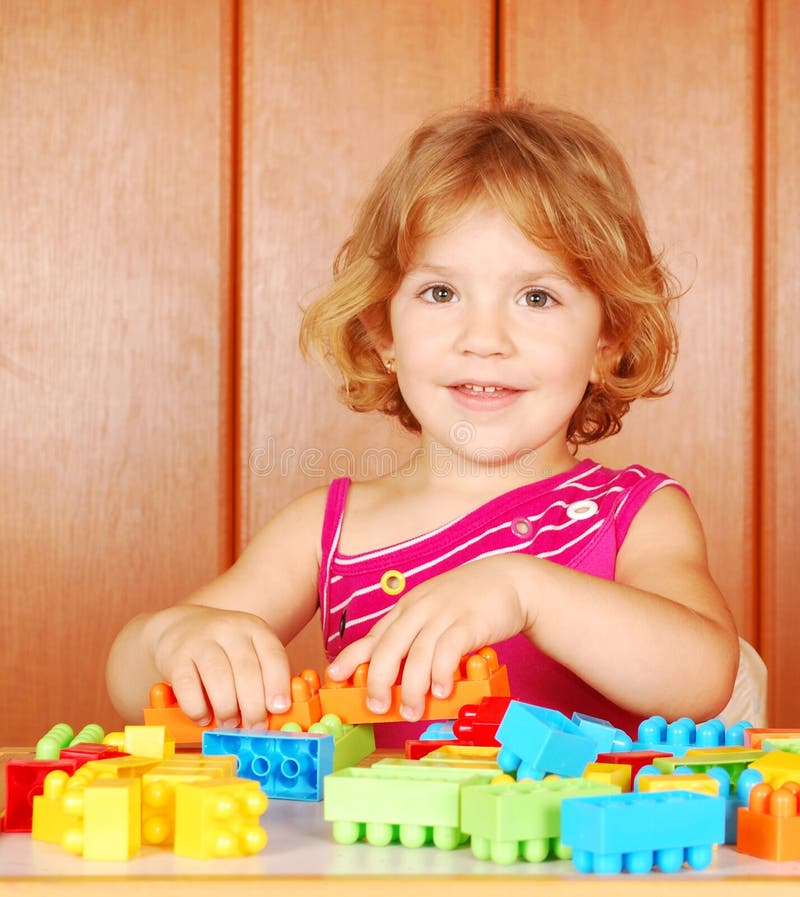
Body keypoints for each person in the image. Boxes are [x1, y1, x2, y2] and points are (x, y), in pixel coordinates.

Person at [106, 99, 741, 744]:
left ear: (607, 340)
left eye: (537, 297)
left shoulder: (633, 516)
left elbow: (705, 675)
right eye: (441, 293)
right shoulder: (327, 531)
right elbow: (132, 683)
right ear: (384, 330)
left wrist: (524, 590)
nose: (484, 339)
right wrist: (172, 638)